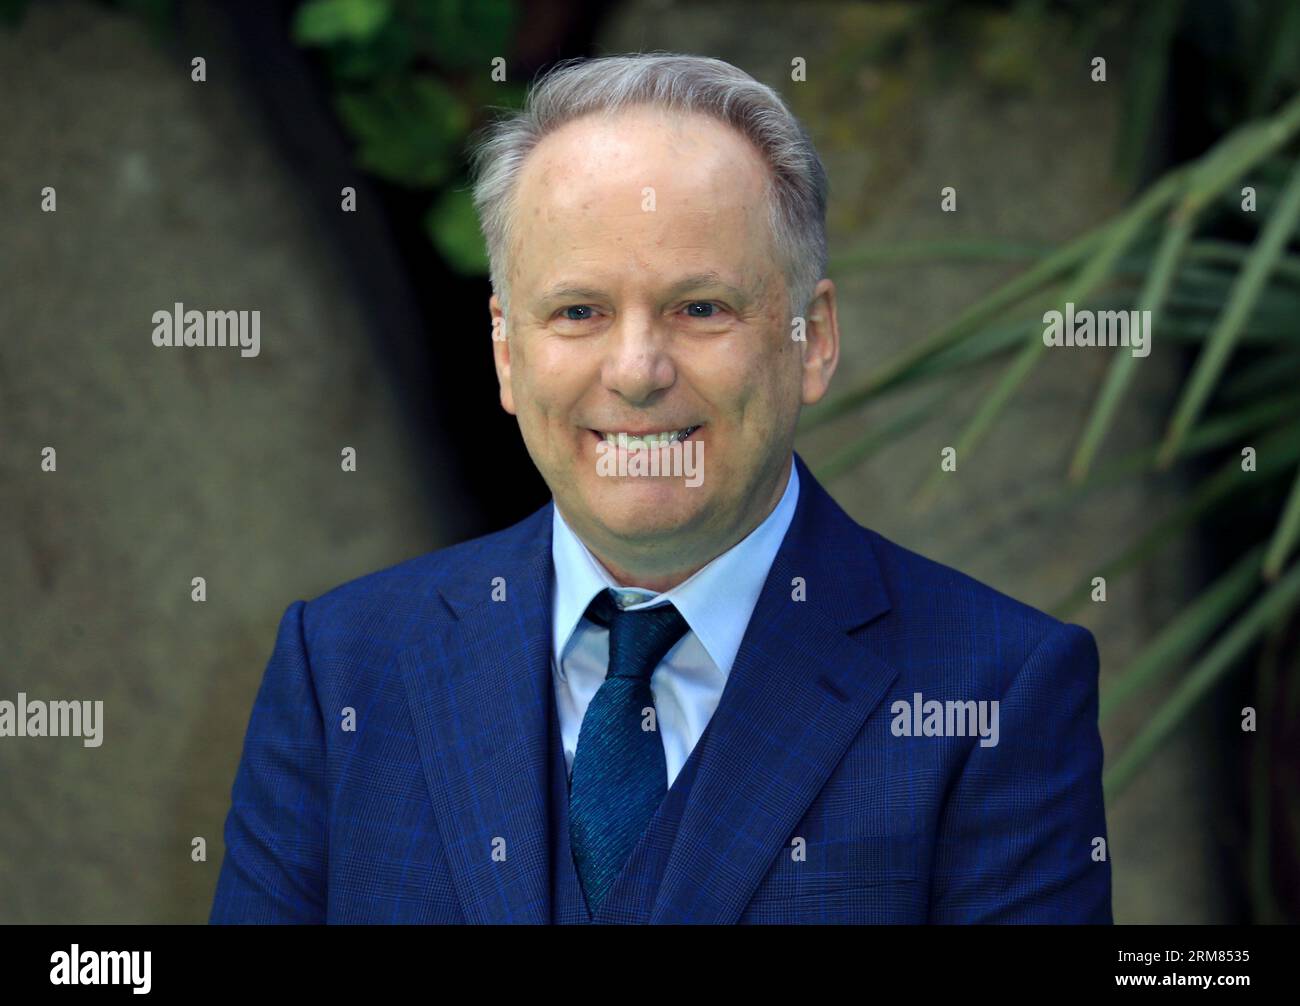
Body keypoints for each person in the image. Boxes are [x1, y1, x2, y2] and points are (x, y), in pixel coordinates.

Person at [210, 52, 1111, 924]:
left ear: (814, 338)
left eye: (701, 308)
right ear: (506, 353)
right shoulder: (339, 671)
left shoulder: (995, 693)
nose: (637, 371)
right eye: (579, 312)